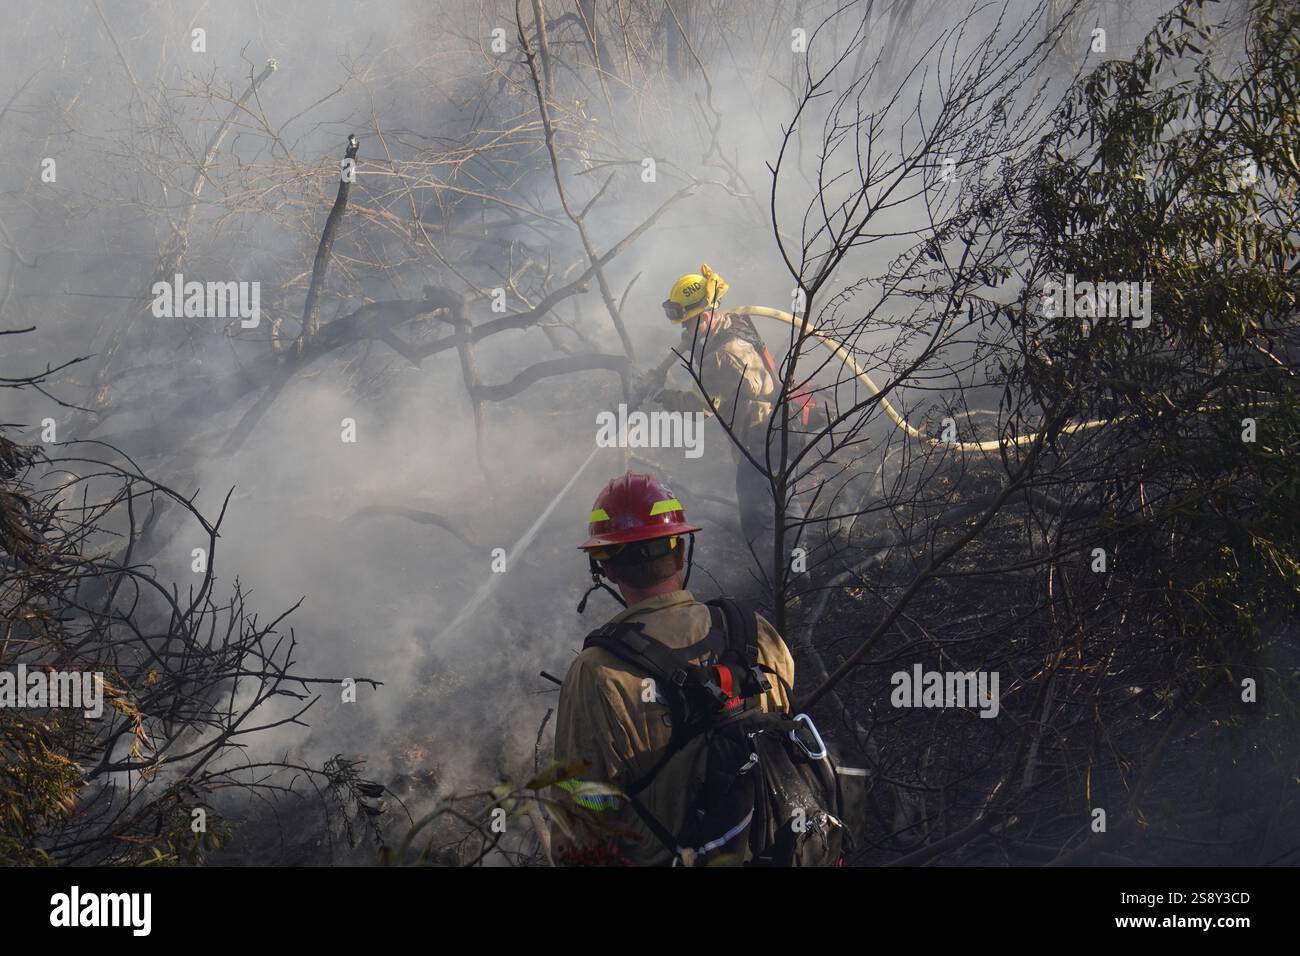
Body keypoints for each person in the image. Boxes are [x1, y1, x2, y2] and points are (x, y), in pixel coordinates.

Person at [551, 471, 795, 866]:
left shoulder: (596, 675)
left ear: (606, 570)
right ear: (681, 552)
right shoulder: (751, 631)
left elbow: (580, 831)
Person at [650, 264, 818, 553]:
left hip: (761, 443)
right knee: (781, 506)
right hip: (776, 430)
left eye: (688, 323)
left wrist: (660, 395)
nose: (684, 330)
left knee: (762, 518)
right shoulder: (736, 324)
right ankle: (792, 572)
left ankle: (785, 580)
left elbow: (696, 409)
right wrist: (695, 340)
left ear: (705, 317)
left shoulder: (721, 357)